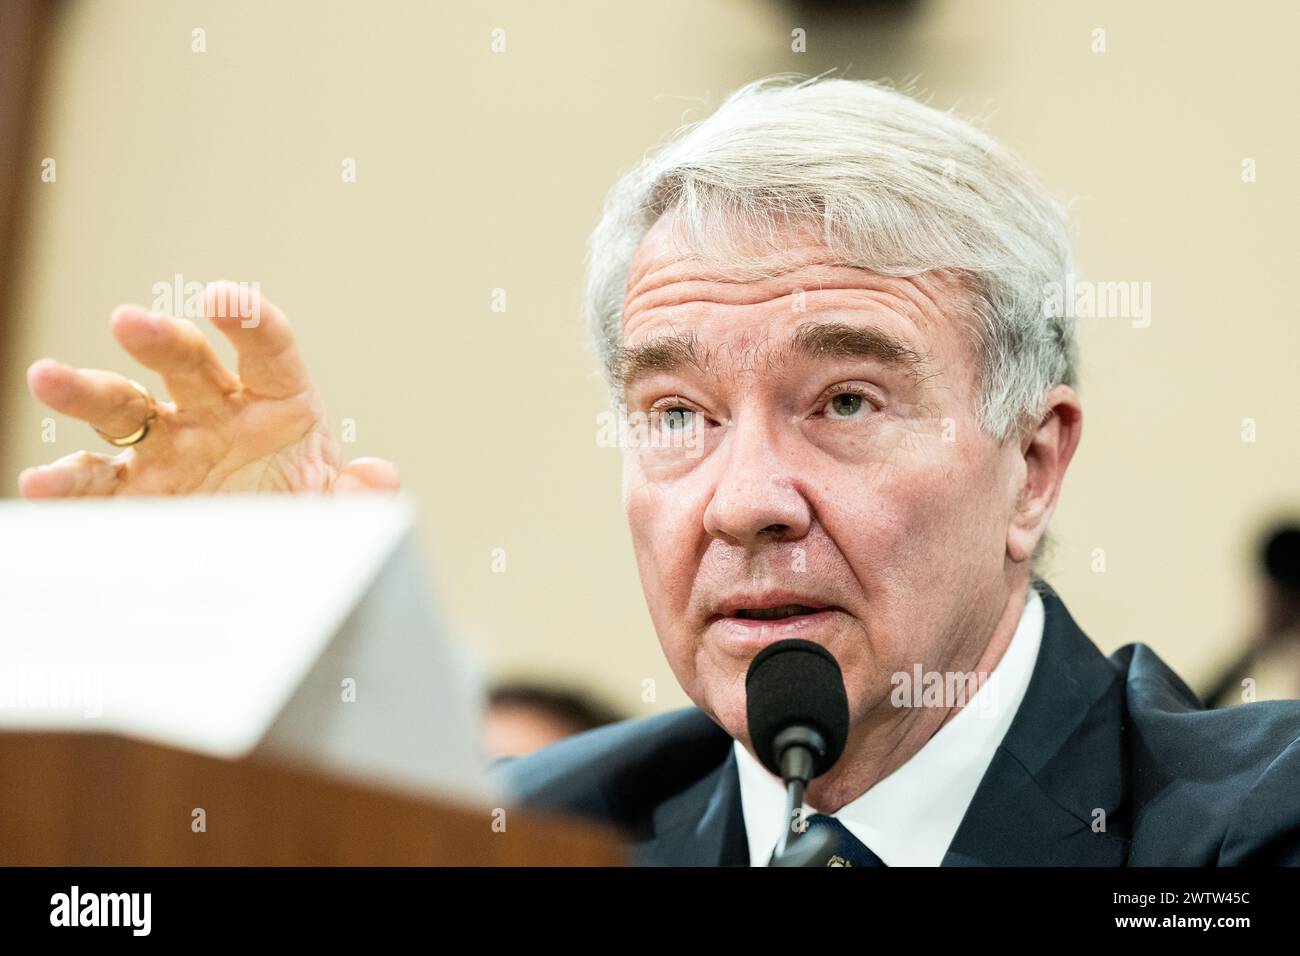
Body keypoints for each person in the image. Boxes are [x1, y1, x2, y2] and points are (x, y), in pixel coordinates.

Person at [18, 76, 1300, 866]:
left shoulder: (1252, 828)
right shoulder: (534, 839)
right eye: (676, 412)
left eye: (845, 398)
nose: (743, 499)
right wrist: (265, 711)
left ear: (1032, 464)